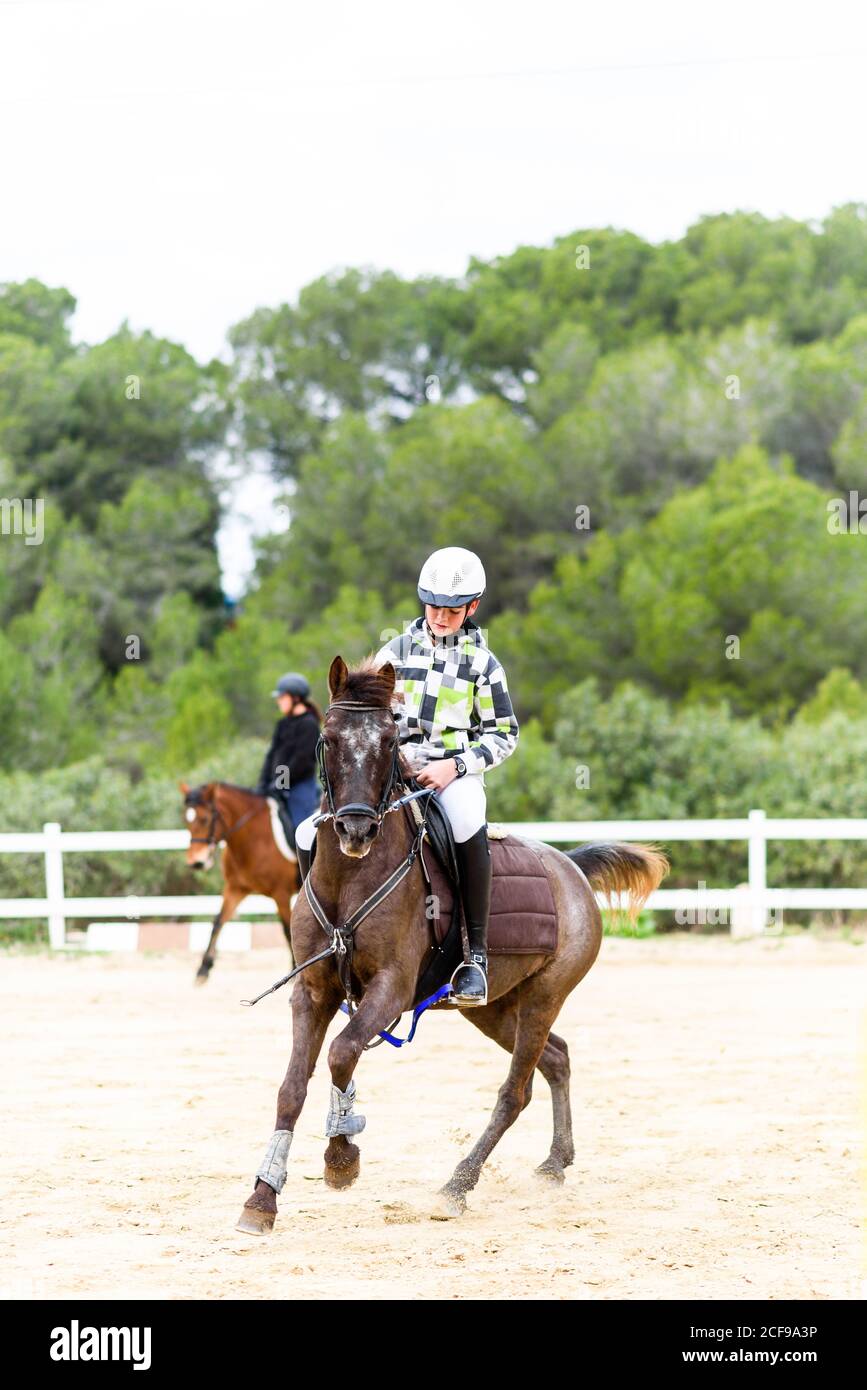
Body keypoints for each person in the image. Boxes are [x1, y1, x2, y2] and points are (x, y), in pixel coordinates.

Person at [294, 547, 519, 1005]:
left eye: (452, 610)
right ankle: (318, 944)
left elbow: (504, 735)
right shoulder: (393, 652)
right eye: (433, 606)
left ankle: (474, 958)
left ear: (472, 608)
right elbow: (368, 720)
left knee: (465, 824)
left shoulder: (484, 666)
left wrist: (453, 766)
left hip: (453, 775)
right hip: (393, 770)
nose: (440, 616)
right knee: (304, 833)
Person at [255, 673, 323, 847]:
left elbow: (302, 761)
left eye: (282, 697)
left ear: (296, 698)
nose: (278, 701)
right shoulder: (283, 724)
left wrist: (280, 782)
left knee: (300, 831)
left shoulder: (308, 724)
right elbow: (273, 756)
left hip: (300, 787)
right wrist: (263, 784)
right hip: (280, 783)